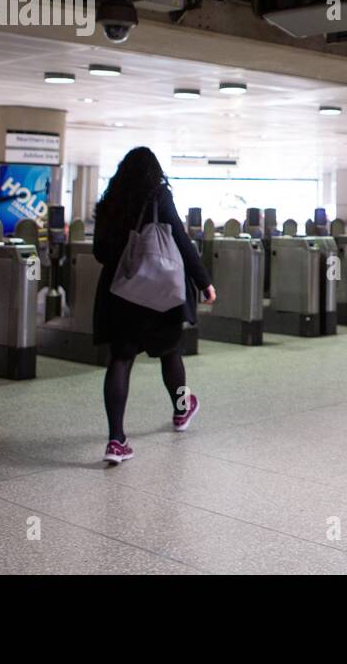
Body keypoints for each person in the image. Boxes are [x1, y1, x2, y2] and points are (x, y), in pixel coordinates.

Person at [92, 147, 215, 464]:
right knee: (170, 353)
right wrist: (204, 281)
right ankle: (181, 409)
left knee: (120, 360)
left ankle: (116, 440)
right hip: (160, 292)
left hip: (121, 292)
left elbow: (100, 252)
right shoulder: (158, 196)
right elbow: (180, 240)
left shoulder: (109, 202)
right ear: (154, 172)